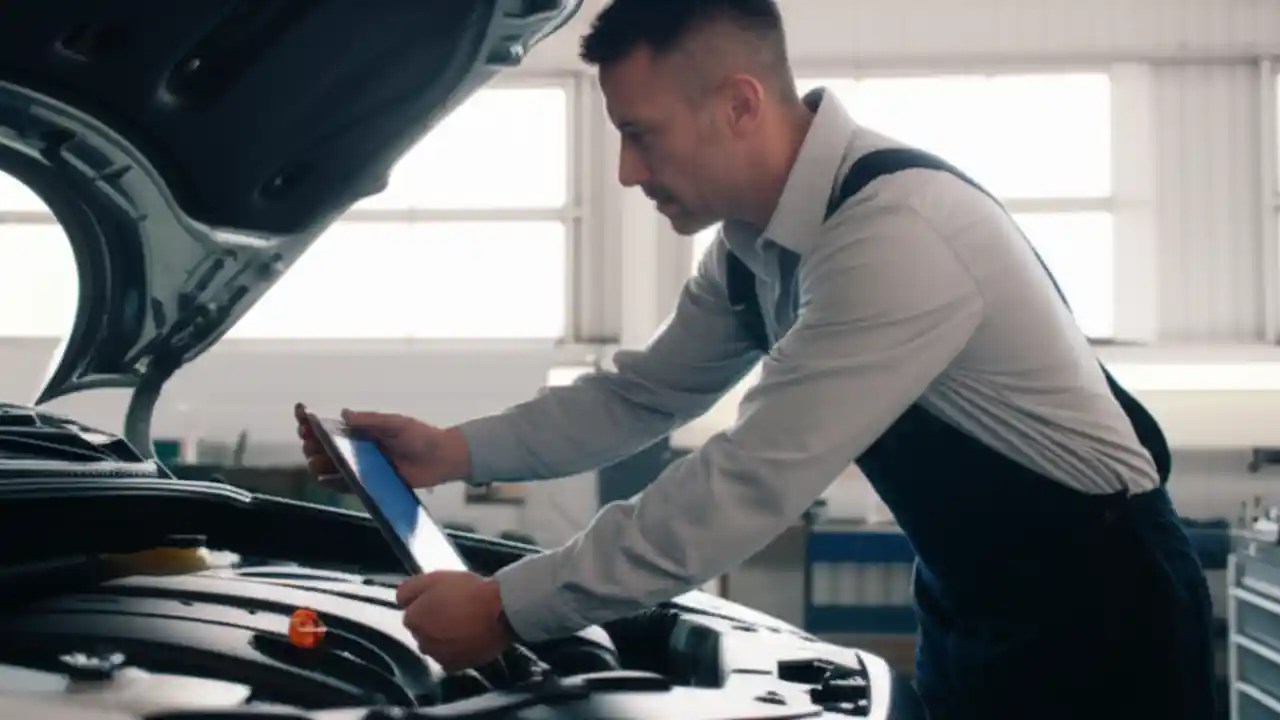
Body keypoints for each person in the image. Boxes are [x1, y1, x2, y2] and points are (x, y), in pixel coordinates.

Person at [297, 1, 1216, 717]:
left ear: (738, 104)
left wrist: (508, 606)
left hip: (1102, 611)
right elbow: (639, 396)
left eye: (641, 132)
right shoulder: (751, 250)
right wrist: (450, 451)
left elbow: (747, 480)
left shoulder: (895, 234)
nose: (625, 171)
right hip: (972, 601)